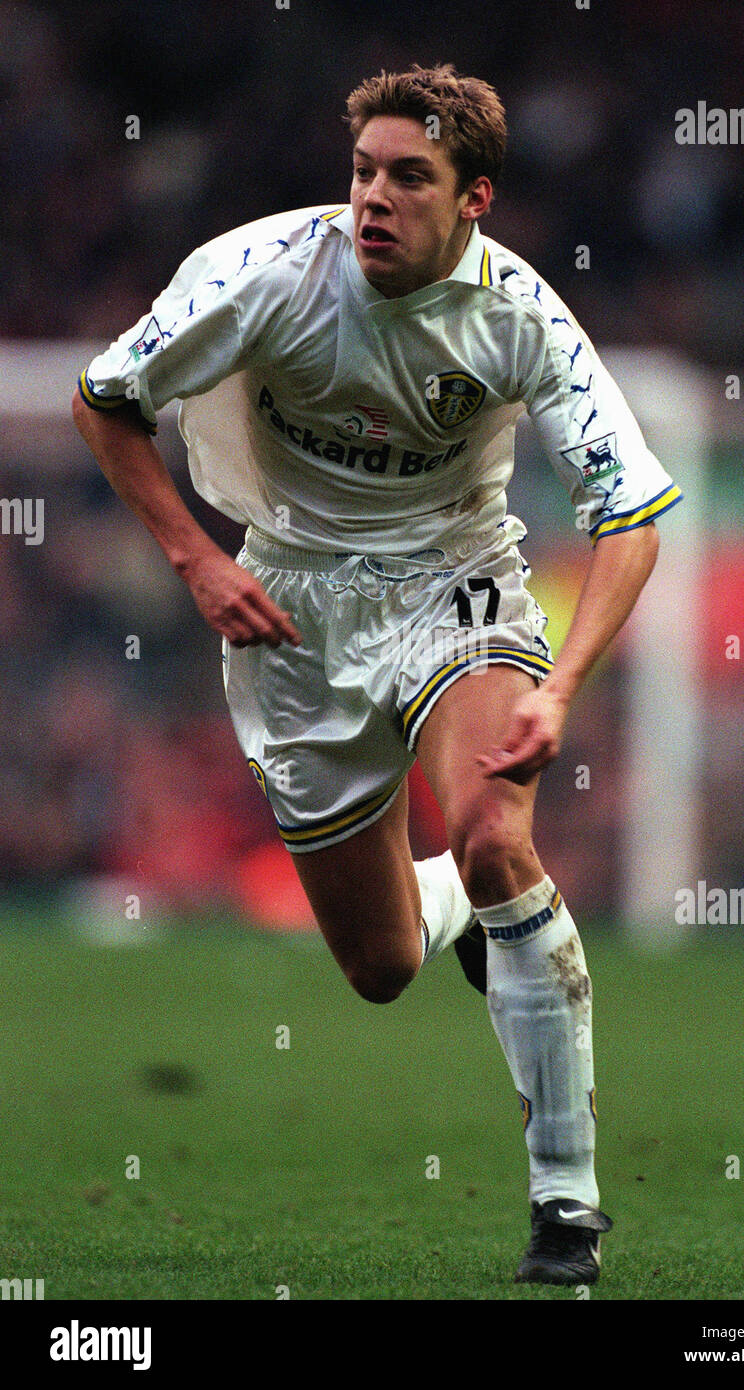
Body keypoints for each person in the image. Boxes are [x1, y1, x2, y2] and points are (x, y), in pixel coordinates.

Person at [72, 63, 682, 1288]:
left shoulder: (519, 316)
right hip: (291, 603)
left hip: (454, 583)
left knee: (500, 836)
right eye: (363, 172)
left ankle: (565, 1207)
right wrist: (195, 559)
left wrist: (555, 689)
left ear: (475, 202)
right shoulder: (261, 274)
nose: (374, 199)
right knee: (380, 966)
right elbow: (106, 400)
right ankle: (450, 901)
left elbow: (631, 516)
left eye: (410, 177)